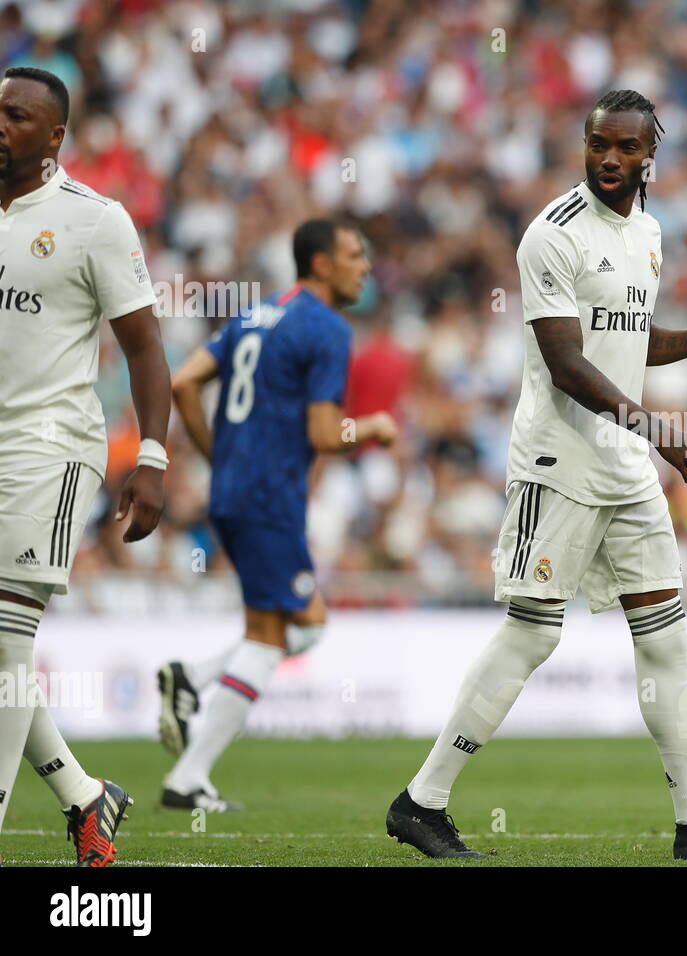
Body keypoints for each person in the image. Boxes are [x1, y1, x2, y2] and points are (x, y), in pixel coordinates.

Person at [386, 90, 687, 861]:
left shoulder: (648, 233)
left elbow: (627, 342)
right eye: (598, 143)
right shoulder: (553, 234)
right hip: (560, 463)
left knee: (666, 640)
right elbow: (568, 364)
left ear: (650, 156)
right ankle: (420, 802)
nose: (610, 158)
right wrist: (658, 430)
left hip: (625, 469)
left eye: (627, 147)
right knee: (532, 633)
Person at [160, 219, 396, 811]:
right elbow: (325, 434)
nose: (365, 267)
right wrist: (373, 426)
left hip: (235, 493)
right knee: (286, 633)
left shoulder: (252, 314)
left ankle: (192, 691)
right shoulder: (327, 328)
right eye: (354, 255)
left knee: (289, 627)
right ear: (321, 264)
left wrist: (221, 458)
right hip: (268, 498)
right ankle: (188, 771)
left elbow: (184, 382)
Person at [0, 67, 170, 866]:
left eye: (16, 115)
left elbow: (144, 345)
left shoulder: (94, 220)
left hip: (50, 445)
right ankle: (83, 795)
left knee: (7, 634)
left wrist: (153, 456)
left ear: (55, 136)